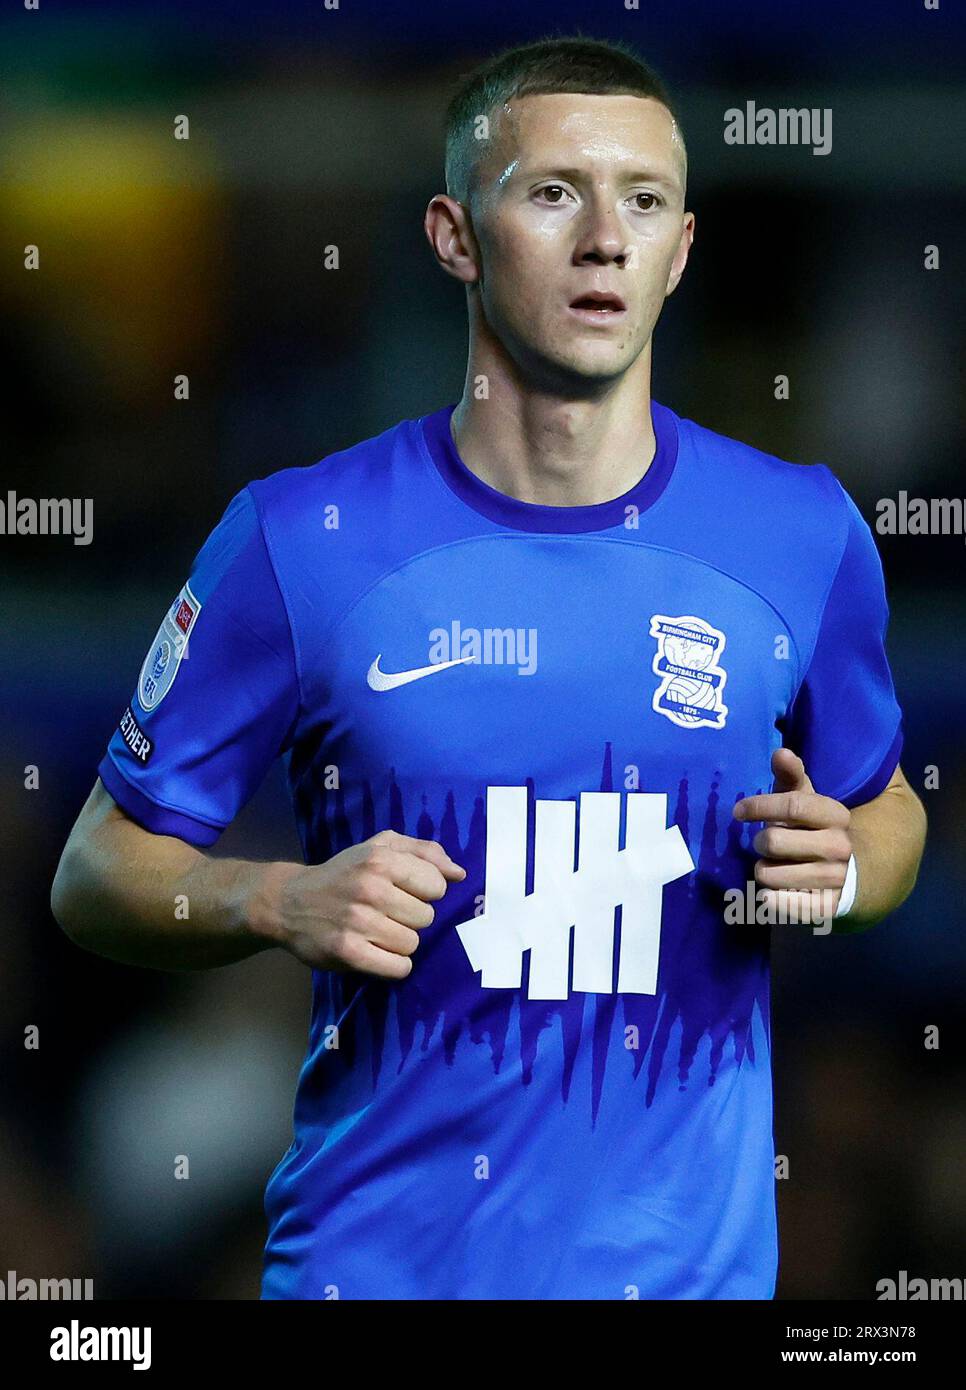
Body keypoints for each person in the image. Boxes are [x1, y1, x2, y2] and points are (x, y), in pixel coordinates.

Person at [51, 35, 927, 1299]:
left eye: (645, 200)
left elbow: (886, 808)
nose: (606, 240)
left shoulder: (800, 532)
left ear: (682, 251)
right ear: (456, 236)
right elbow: (94, 875)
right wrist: (276, 903)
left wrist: (847, 870)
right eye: (555, 192)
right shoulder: (304, 540)